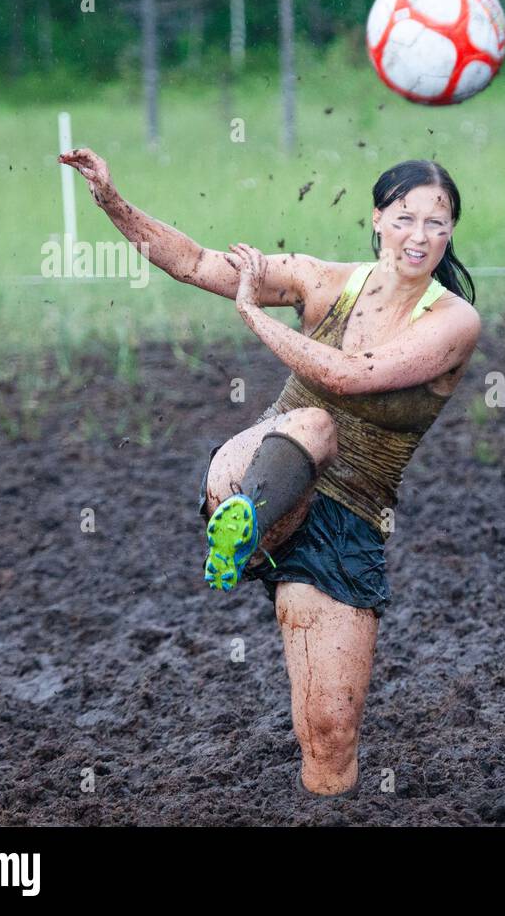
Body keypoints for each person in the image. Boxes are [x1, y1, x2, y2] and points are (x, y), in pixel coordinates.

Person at [60, 149, 481, 796]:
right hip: (263, 471)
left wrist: (255, 316)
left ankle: (246, 540)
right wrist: (110, 199)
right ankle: (241, 529)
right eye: (405, 218)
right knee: (313, 426)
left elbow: (351, 374)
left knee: (330, 742)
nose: (419, 236)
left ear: (452, 230)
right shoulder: (321, 279)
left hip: (346, 523)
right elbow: (196, 262)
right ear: (376, 219)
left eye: (437, 223)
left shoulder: (454, 321)